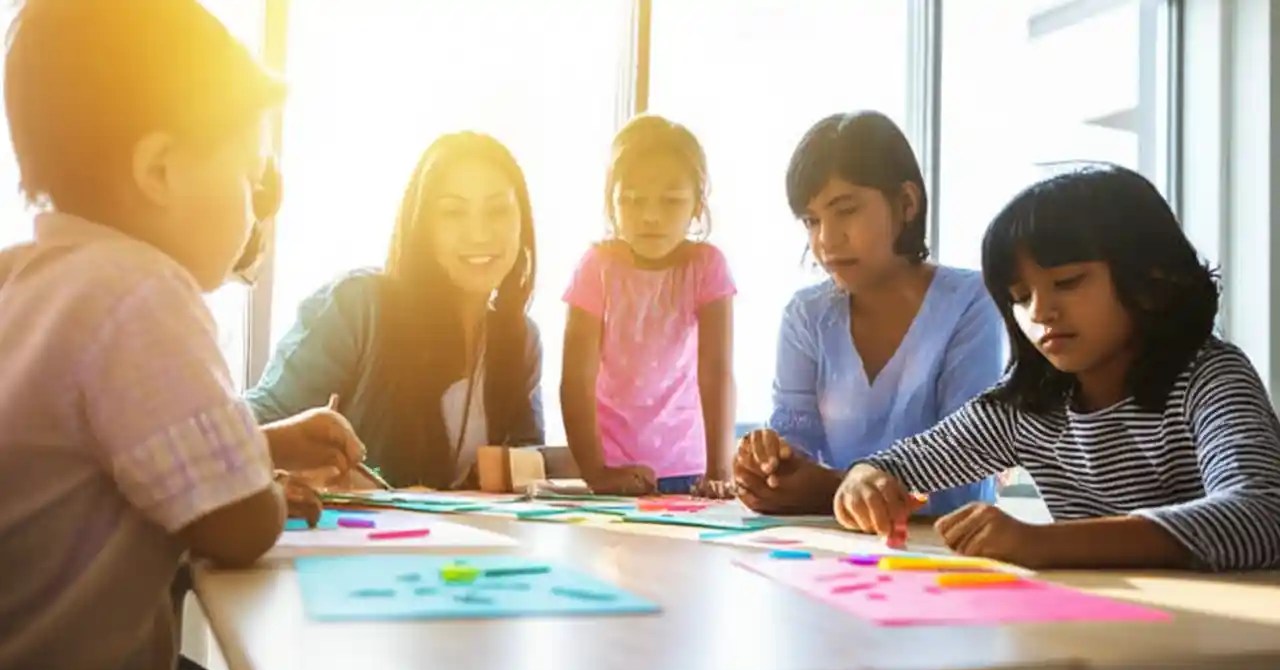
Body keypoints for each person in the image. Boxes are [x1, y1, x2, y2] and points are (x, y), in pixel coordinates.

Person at [0, 1, 363, 670]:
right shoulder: (143, 292)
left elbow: (102, 459)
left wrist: (258, 445)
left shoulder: (27, 279)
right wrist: (257, 484)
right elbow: (236, 525)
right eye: (247, 176)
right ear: (160, 170)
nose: (255, 208)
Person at [765, 165, 1280, 571]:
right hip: (1112, 634)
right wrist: (864, 478)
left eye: (1069, 281)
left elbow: (1262, 516)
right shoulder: (1028, 405)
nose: (1040, 312)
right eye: (1020, 296)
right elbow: (899, 464)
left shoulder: (1209, 378)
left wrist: (1046, 543)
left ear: (1153, 277)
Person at [736, 111, 1002, 515]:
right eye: (812, 220)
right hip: (833, 552)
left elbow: (962, 480)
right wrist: (766, 467)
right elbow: (793, 462)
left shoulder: (972, 303)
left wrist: (829, 488)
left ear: (907, 203)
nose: (826, 239)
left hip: (942, 553)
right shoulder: (805, 316)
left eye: (846, 210)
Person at [247, 132, 544, 489]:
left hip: (461, 542)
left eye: (498, 210)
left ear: (522, 223)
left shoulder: (520, 339)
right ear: (422, 227)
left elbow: (530, 470)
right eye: (453, 212)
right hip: (352, 538)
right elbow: (248, 428)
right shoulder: (357, 306)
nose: (479, 233)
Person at [561, 114, 736, 496]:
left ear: (696, 205)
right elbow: (576, 380)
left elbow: (716, 370)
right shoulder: (596, 267)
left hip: (690, 469)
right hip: (611, 468)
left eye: (671, 200)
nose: (650, 215)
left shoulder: (707, 266)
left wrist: (719, 469)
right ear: (612, 202)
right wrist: (596, 472)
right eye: (632, 200)